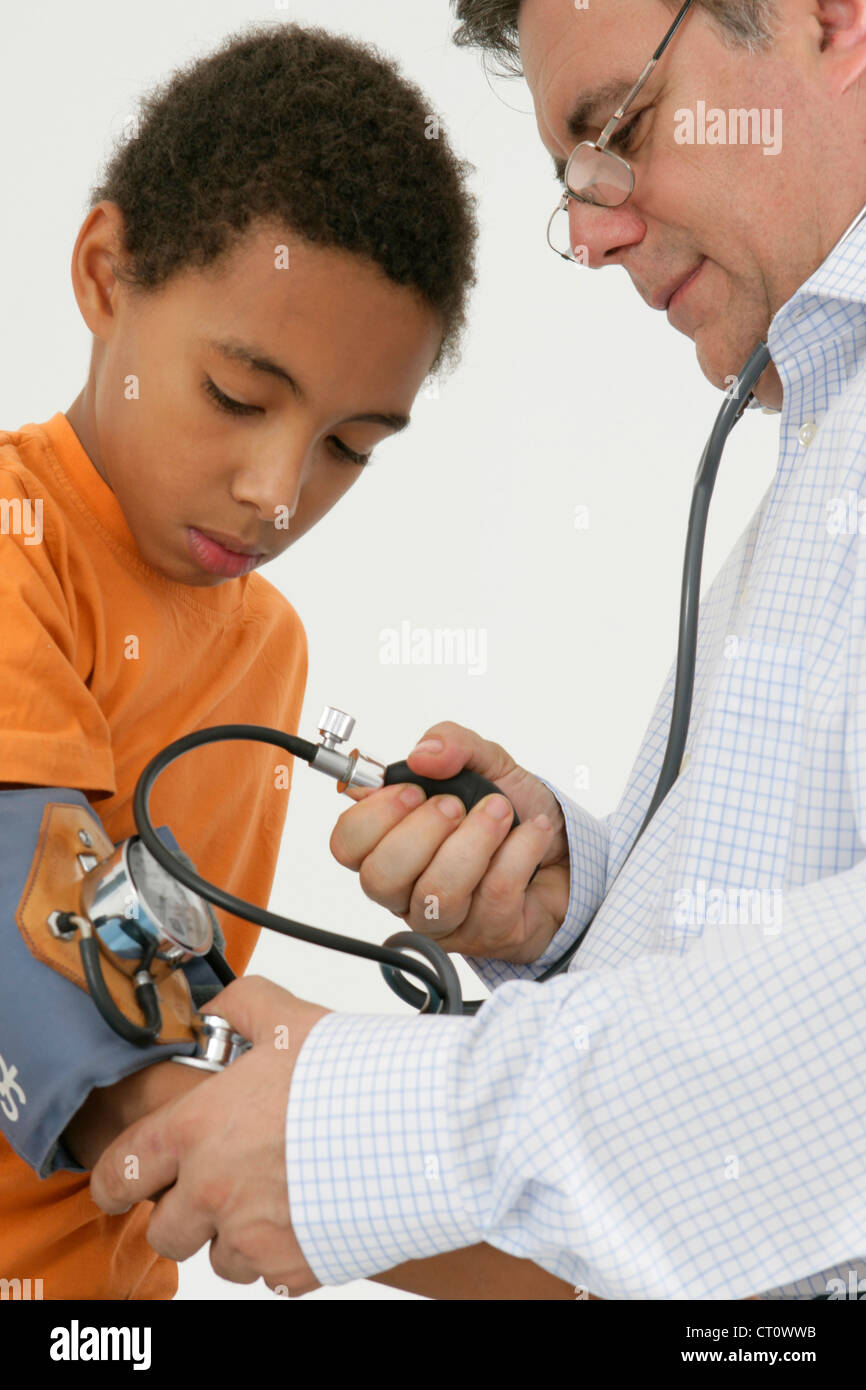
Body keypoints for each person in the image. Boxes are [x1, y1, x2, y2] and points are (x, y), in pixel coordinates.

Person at [90, 0, 866, 1301]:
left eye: (620, 129)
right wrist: (578, 912)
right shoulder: (819, 450)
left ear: (829, 19)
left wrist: (369, 1129)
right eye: (571, 180)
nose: (591, 235)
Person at [0, 20, 477, 1301]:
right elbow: (58, 993)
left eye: (349, 446)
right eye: (236, 395)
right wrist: (573, 1257)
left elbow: (173, 1000)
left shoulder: (269, 647)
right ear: (106, 275)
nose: (277, 492)